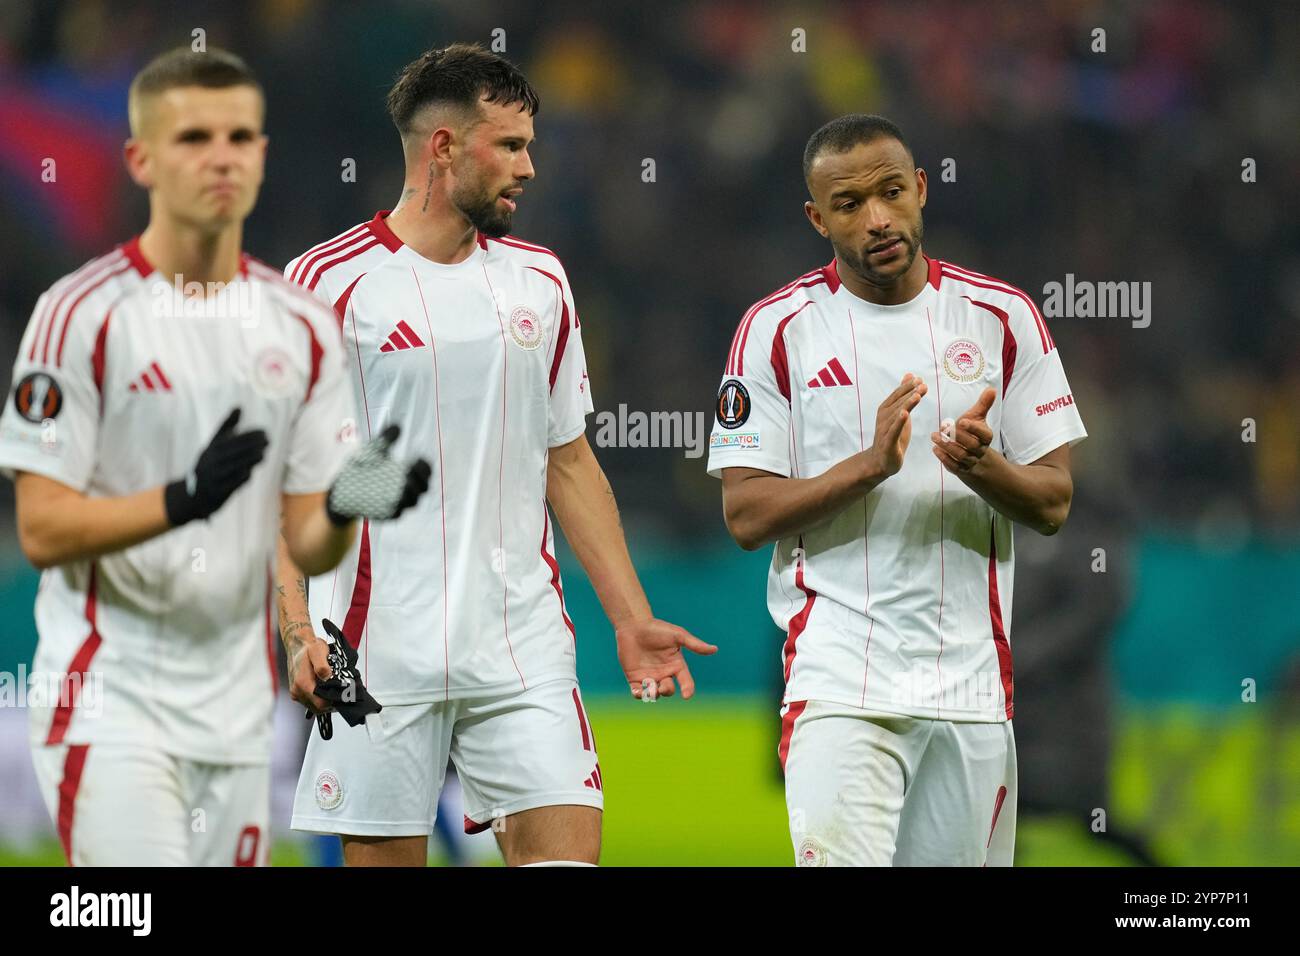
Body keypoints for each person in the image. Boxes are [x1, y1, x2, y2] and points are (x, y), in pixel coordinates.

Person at [279, 43, 715, 867]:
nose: (530, 168)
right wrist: (297, 627)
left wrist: (629, 617)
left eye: (530, 146)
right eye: (510, 146)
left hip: (522, 650)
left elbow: (570, 460)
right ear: (443, 147)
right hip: (374, 653)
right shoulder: (326, 283)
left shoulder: (539, 282)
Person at [0, 47, 429, 866]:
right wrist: (183, 500)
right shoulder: (79, 316)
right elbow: (43, 528)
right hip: (111, 700)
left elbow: (307, 542)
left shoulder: (298, 328)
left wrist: (345, 504)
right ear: (142, 159)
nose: (221, 156)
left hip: (237, 716)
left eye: (239, 136)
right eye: (194, 137)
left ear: (263, 155)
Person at [708, 114, 1087, 866]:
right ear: (818, 218)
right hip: (841, 678)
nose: (877, 218)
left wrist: (988, 470)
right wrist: (869, 466)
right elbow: (746, 515)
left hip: (973, 693)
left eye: (890, 192)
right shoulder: (777, 330)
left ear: (919, 189)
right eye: (849, 205)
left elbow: (1052, 502)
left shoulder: (1003, 319)